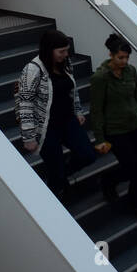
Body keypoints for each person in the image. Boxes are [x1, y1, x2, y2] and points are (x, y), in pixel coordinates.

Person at [18, 28, 97, 203]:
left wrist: (78, 110)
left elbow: (72, 90)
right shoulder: (32, 70)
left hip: (68, 121)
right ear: (49, 50)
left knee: (87, 155)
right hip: (46, 128)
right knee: (56, 171)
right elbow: (25, 104)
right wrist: (29, 137)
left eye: (66, 50)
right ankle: (56, 196)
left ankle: (61, 177)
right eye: (61, 51)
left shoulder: (66, 63)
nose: (65, 54)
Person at [89, 33, 137, 220]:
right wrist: (99, 138)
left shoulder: (131, 71)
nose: (124, 61)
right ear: (111, 55)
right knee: (131, 167)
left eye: (127, 57)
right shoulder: (100, 78)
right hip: (116, 130)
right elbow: (96, 110)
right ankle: (108, 180)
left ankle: (136, 203)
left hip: (136, 125)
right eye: (120, 57)